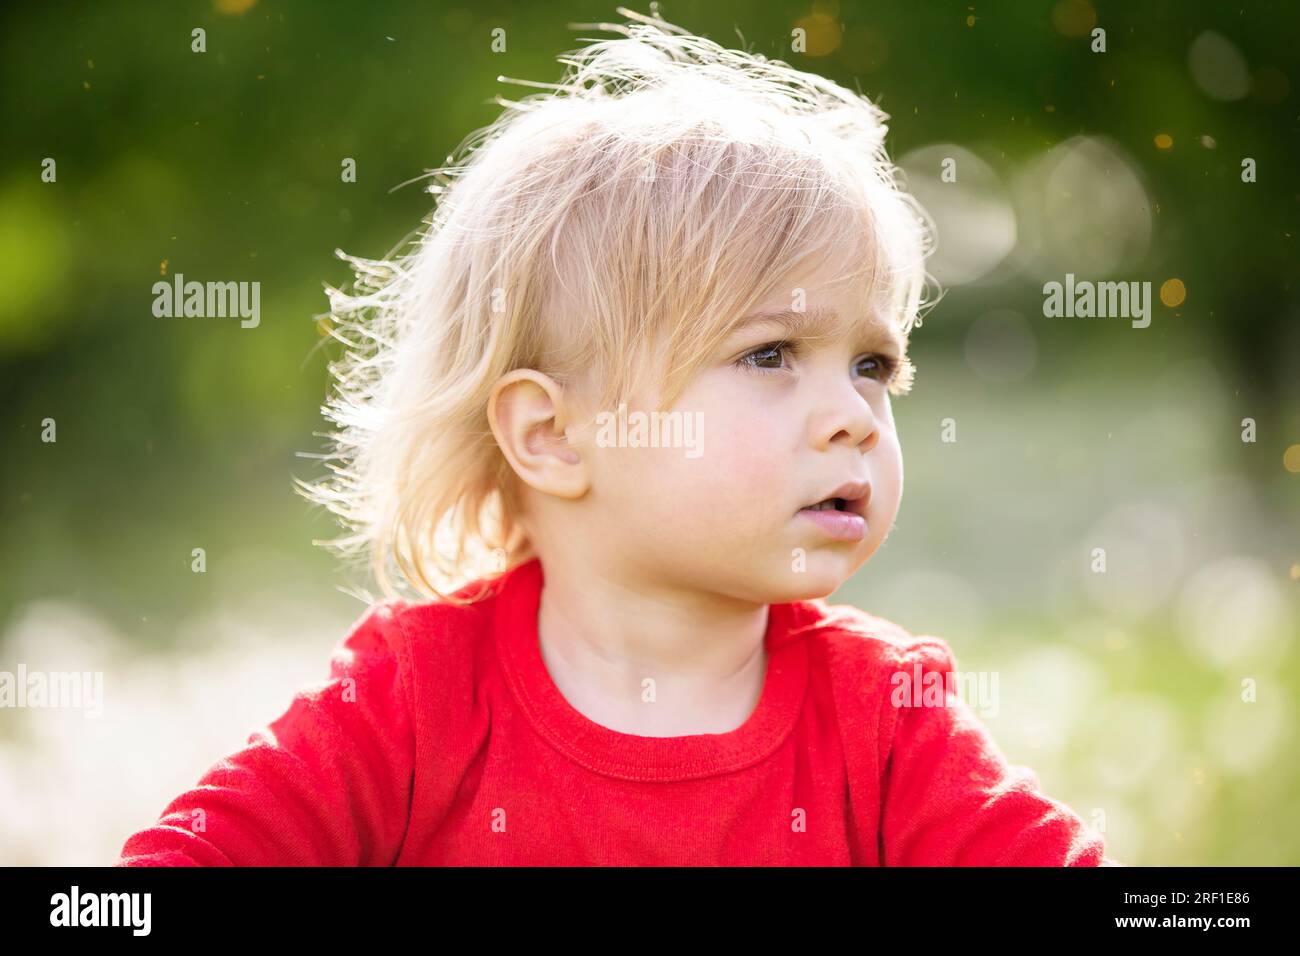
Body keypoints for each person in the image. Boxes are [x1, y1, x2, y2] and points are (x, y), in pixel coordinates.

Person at [117, 7, 1114, 866]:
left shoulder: (883, 715)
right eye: (770, 354)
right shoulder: (416, 700)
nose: (853, 413)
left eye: (872, 365)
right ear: (551, 434)